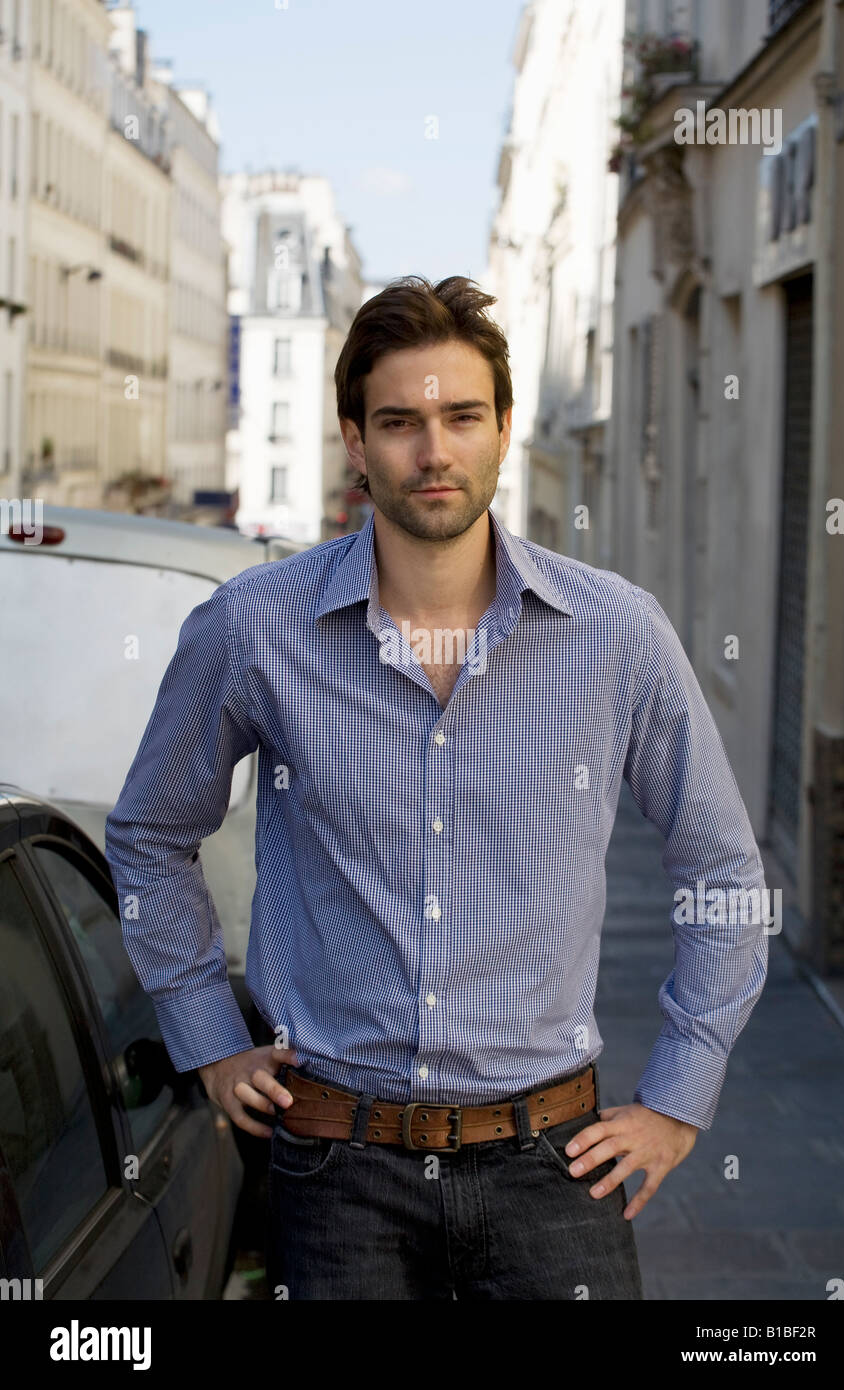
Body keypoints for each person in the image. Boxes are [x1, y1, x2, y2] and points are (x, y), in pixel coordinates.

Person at [104, 275, 769, 1301]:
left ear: (504, 428)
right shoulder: (252, 631)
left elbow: (721, 869)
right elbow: (148, 833)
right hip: (336, 1167)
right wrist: (207, 1038)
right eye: (400, 422)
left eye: (461, 416)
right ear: (354, 441)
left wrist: (680, 1097)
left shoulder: (615, 633)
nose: (433, 450)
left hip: (553, 1164)